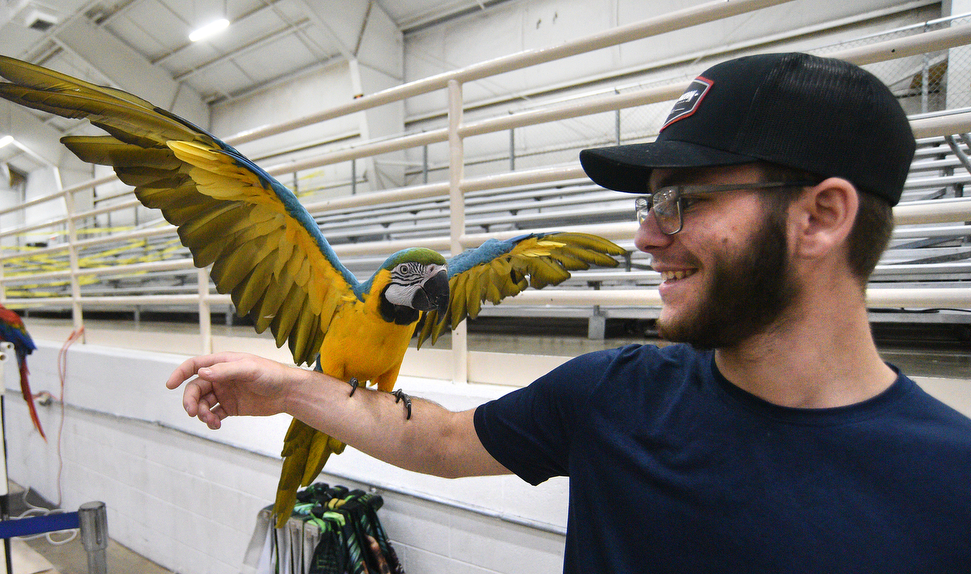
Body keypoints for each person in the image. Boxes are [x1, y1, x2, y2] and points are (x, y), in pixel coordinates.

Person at [167, 53, 971, 573]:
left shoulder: (949, 486)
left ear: (822, 217)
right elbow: (441, 440)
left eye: (681, 201)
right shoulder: (610, 392)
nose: (647, 235)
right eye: (650, 203)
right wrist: (287, 389)